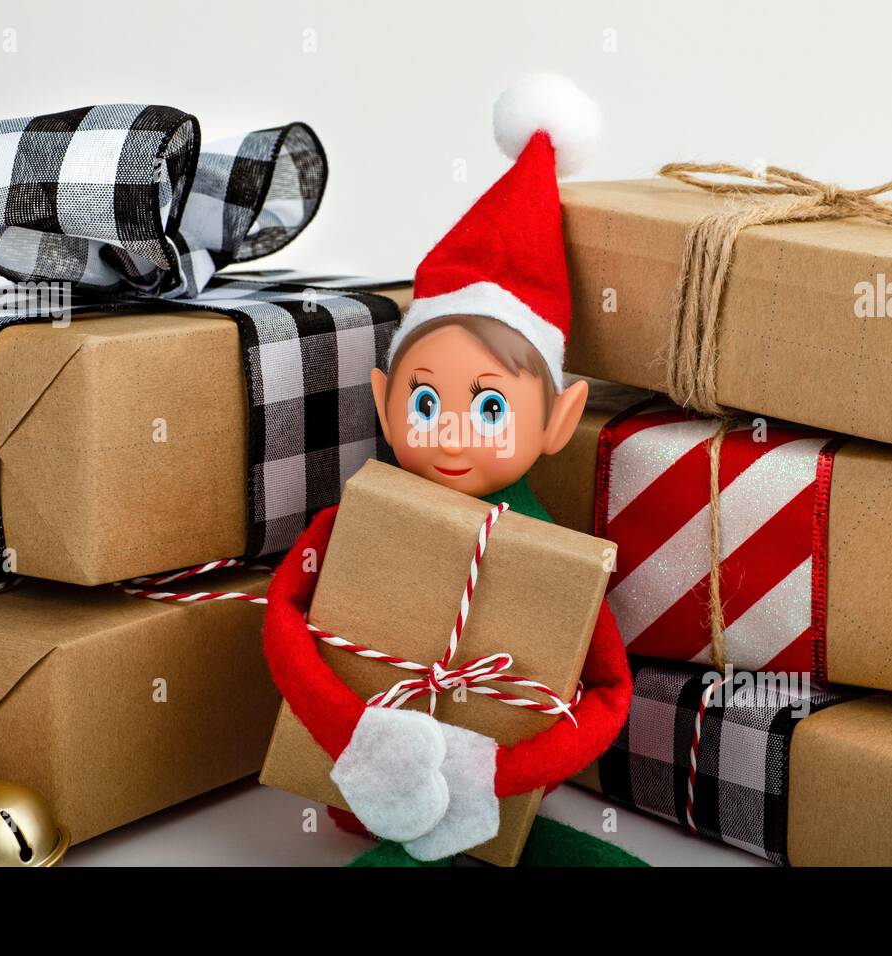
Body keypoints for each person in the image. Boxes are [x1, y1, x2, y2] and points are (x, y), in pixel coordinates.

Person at [264, 74, 642, 866]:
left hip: (493, 811)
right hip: (350, 789)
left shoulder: (555, 559)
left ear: (560, 421)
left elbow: (609, 694)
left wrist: (492, 775)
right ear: (384, 399)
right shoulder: (356, 522)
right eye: (425, 400)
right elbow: (285, 620)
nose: (451, 431)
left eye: (492, 406)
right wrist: (359, 736)